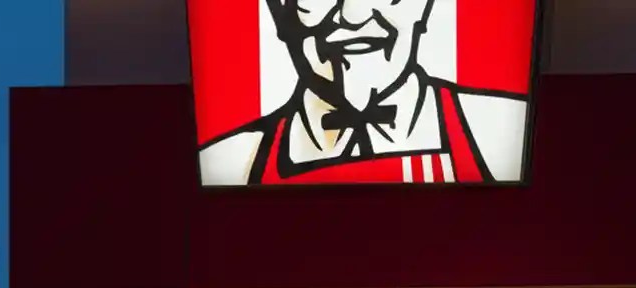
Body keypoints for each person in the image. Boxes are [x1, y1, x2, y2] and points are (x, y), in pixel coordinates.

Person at [199, 0, 530, 186]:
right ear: (279, 13)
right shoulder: (233, 159)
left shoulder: (496, 132)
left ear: (424, 7)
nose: (353, 16)